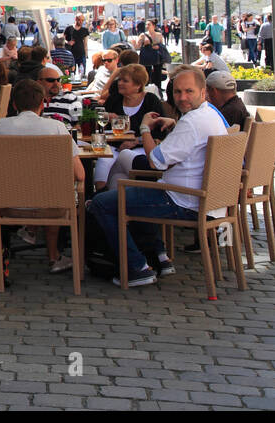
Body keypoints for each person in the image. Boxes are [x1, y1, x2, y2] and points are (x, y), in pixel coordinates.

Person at [89, 67, 231, 287]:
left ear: (203, 93)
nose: (182, 98)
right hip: (203, 200)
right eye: (177, 92)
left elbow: (156, 162)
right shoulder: (209, 115)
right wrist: (174, 126)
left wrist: (145, 128)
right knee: (134, 191)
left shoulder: (192, 122)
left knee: (101, 203)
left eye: (189, 92)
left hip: (182, 201)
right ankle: (160, 257)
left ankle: (137, 268)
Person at [0, 78, 85, 273]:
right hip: (52, 206)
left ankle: (19, 241)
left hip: (9, 205)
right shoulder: (57, 128)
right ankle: (54, 257)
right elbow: (80, 174)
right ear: (42, 103)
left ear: (14, 104)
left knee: (52, 188)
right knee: (58, 189)